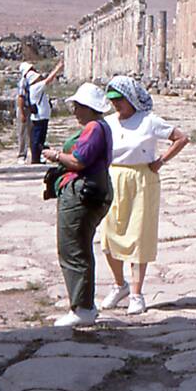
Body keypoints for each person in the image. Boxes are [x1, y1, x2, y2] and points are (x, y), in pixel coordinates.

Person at [99, 75, 189, 316]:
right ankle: (120, 285)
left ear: (130, 98)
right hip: (113, 178)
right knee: (109, 236)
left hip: (141, 180)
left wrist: (161, 161)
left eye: (119, 99)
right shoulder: (108, 123)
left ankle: (137, 293)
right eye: (112, 99)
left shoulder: (148, 121)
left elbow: (181, 138)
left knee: (139, 235)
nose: (115, 104)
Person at [41, 82, 114, 328]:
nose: (74, 111)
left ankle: (82, 307)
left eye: (77, 106)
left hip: (82, 194)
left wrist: (56, 156)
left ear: (89, 107)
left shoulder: (94, 128)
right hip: (86, 191)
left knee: (72, 249)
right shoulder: (99, 126)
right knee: (78, 248)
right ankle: (84, 304)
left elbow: (79, 160)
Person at [26, 58, 63, 164]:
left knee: (38, 138)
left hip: (40, 116)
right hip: (41, 116)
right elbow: (49, 79)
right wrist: (58, 68)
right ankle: (37, 158)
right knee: (38, 138)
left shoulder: (33, 88)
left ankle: (37, 157)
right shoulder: (36, 87)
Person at [14, 62, 35, 161]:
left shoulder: (31, 81)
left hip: (28, 109)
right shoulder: (24, 81)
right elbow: (21, 98)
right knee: (22, 132)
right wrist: (22, 113)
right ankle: (21, 155)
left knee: (31, 132)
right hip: (24, 109)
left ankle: (33, 154)